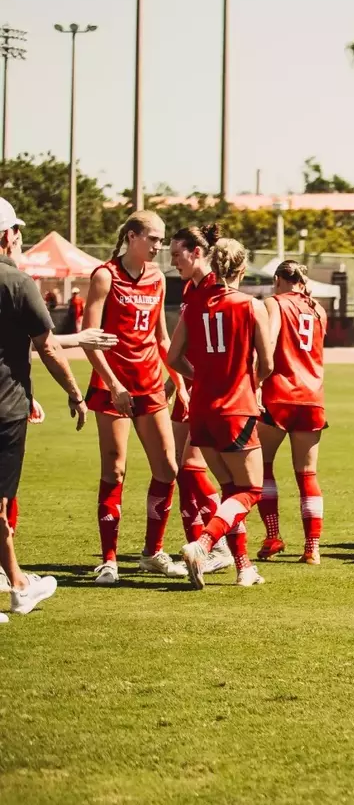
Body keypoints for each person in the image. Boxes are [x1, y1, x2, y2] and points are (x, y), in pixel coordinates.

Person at [0, 198, 117, 618]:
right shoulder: (17, 282)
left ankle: (16, 582)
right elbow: (45, 345)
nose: (19, 238)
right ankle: (17, 584)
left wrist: (80, 338)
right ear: (6, 235)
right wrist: (75, 393)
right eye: (15, 231)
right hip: (4, 409)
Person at [77, 211, 191, 585]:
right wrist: (114, 385)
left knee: (167, 469)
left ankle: (152, 552)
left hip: (150, 386)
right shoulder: (104, 276)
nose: (159, 246)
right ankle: (108, 559)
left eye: (161, 240)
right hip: (113, 388)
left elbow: (161, 338)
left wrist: (181, 384)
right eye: (153, 239)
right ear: (131, 237)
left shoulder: (157, 278)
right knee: (115, 469)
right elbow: (89, 338)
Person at [168, 225, 274, 589]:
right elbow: (269, 363)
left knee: (230, 490)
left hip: (201, 410)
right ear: (242, 270)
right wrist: (252, 383)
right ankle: (204, 543)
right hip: (236, 408)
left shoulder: (194, 303)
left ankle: (244, 567)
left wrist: (200, 377)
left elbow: (173, 356)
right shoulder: (251, 305)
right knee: (251, 491)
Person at [255, 261, 329, 564]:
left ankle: (273, 536)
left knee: (263, 466)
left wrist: (256, 381)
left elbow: (269, 345)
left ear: (277, 280)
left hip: (280, 395)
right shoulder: (318, 310)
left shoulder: (273, 303)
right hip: (312, 397)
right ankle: (312, 547)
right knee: (307, 474)